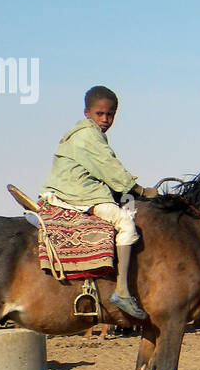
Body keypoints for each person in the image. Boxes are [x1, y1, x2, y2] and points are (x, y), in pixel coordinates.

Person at [40, 86, 156, 320]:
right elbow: (110, 168)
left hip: (79, 190)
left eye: (110, 114)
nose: (105, 119)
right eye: (99, 114)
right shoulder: (88, 135)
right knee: (125, 222)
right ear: (87, 113)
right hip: (77, 194)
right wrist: (141, 190)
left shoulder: (85, 133)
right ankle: (122, 291)